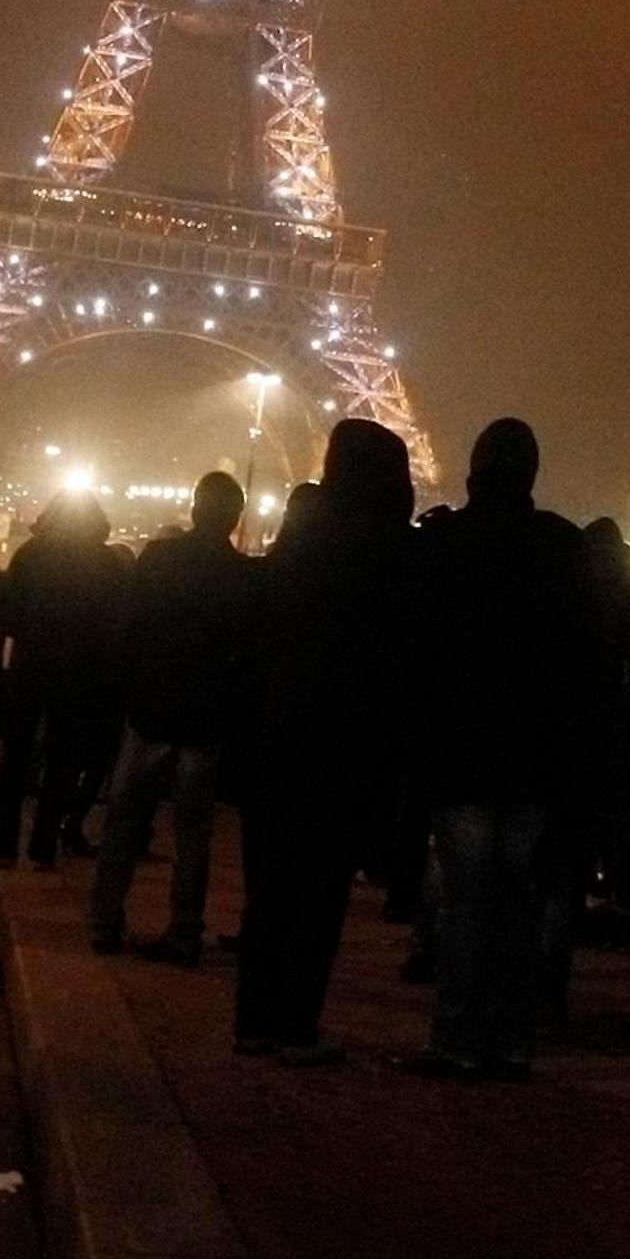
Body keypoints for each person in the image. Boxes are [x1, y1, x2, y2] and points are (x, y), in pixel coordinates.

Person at [401, 419, 600, 1080]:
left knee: (466, 903)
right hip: (534, 757)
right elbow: (585, 657)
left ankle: (457, 1038)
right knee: (518, 907)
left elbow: (419, 650)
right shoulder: (564, 548)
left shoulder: (444, 542)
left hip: (460, 752)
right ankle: (513, 1039)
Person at [232, 420, 419, 1065]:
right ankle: (296, 1023)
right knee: (322, 891)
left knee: (273, 883)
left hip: (287, 728)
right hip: (353, 739)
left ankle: (253, 1019)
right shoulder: (396, 550)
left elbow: (258, 632)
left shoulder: (300, 542)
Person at [91, 470, 264, 962]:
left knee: (123, 824)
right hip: (205, 725)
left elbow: (127, 631)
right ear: (235, 518)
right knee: (192, 840)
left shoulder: (158, 559)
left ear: (193, 508)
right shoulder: (245, 576)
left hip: (150, 715)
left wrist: (130, 692)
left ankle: (104, 922)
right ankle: (185, 932)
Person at [0, 491, 130, 865]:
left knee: (16, 759)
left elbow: (7, 611)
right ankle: (43, 846)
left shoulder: (31, 554)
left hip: (30, 665)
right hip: (79, 674)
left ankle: (3, 844)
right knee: (62, 763)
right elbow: (115, 623)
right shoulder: (107, 563)